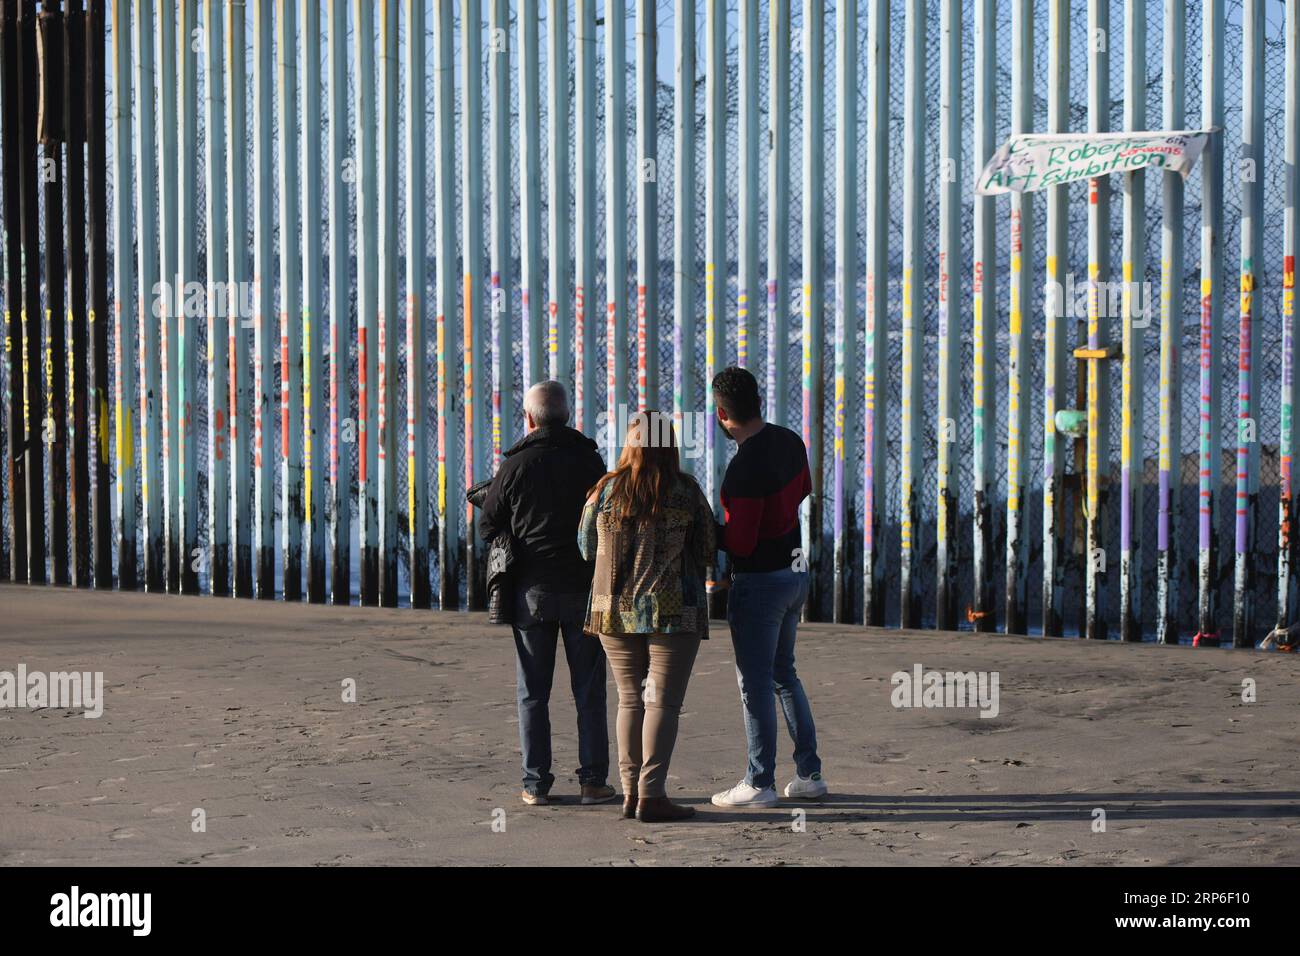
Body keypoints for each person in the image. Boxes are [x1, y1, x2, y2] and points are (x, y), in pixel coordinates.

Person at [479, 381, 614, 807]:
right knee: (589, 690)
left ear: (531, 419)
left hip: (531, 593)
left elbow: (488, 526)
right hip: (584, 589)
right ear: (568, 416)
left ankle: (536, 784)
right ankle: (593, 782)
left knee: (532, 692)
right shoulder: (591, 461)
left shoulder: (516, 465)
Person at [579, 410, 715, 823]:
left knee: (629, 700)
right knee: (663, 704)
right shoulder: (686, 491)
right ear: (669, 445)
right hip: (672, 611)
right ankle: (651, 796)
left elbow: (585, 547)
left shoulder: (604, 490)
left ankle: (628, 793)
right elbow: (708, 551)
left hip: (612, 610)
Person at [708, 366, 827, 809]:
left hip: (759, 582)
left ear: (722, 413)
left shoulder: (743, 469)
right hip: (795, 574)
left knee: (754, 683)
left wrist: (709, 531)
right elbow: (803, 492)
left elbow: (740, 542)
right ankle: (809, 774)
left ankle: (759, 781)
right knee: (784, 675)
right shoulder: (790, 440)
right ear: (757, 400)